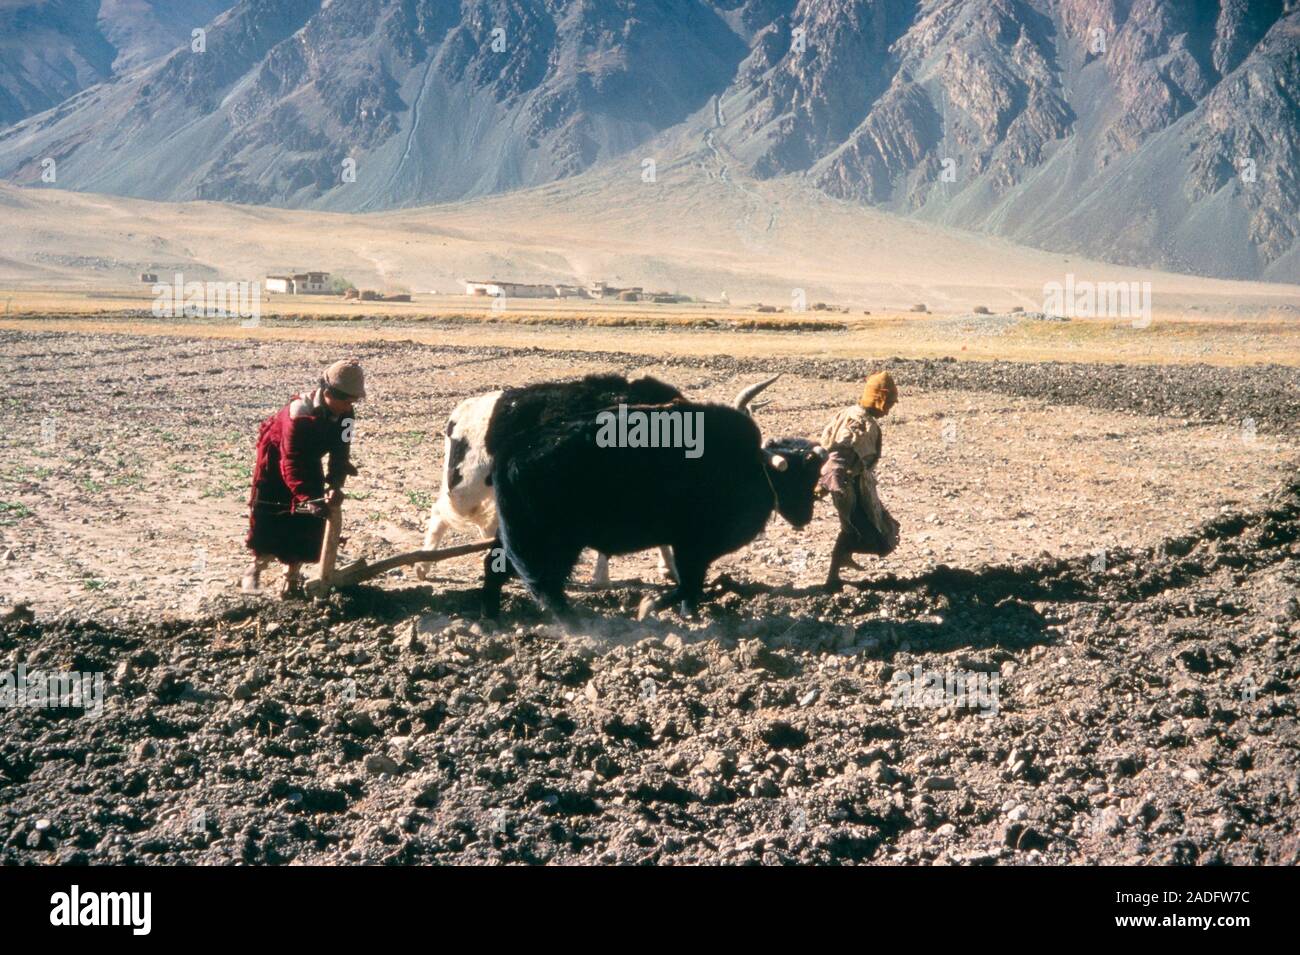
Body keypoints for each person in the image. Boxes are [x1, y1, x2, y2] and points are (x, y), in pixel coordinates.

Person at [242, 359, 364, 597]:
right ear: (328, 393)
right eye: (345, 400)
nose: (348, 406)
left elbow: (342, 451)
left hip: (310, 460)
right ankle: (255, 569)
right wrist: (308, 497)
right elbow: (291, 461)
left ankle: (291, 577)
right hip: (277, 460)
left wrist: (335, 484)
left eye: (353, 401)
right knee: (270, 517)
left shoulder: (348, 415)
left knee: (306, 522)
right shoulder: (299, 413)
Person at [818, 370, 900, 591]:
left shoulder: (851, 414)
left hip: (856, 484)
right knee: (859, 529)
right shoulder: (857, 424)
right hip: (847, 487)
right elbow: (837, 458)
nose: (890, 409)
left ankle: (837, 569)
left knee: (860, 528)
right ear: (879, 398)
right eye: (889, 403)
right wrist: (833, 485)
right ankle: (833, 578)